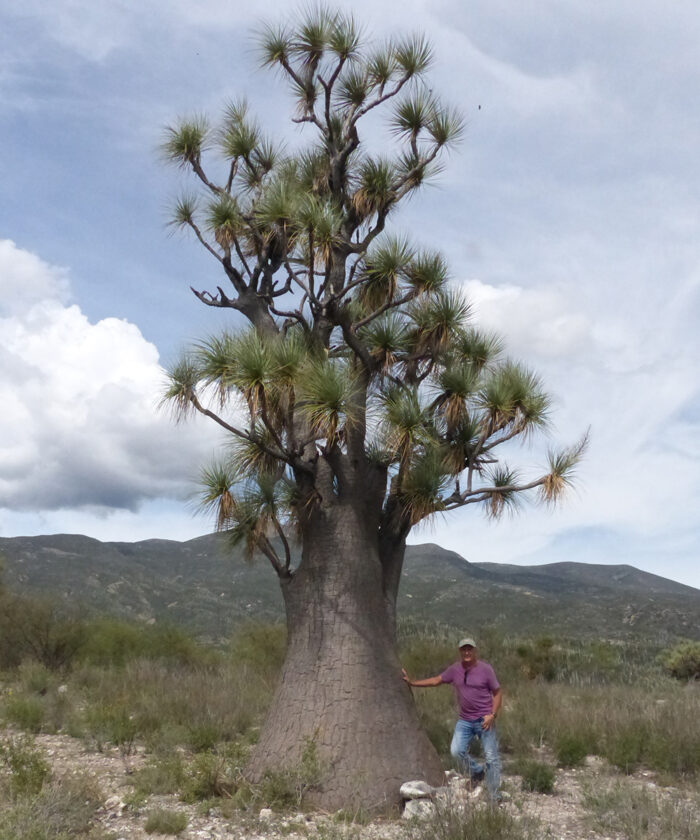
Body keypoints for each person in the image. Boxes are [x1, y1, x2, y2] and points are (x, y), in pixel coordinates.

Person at [402, 636, 502, 801]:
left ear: (474, 651)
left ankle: (494, 796)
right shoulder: (455, 670)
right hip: (465, 720)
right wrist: (412, 683)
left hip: (484, 720)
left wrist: (492, 715)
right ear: (460, 651)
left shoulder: (486, 670)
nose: (467, 652)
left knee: (491, 757)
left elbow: (497, 693)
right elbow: (436, 680)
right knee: (456, 751)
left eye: (469, 649)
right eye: (464, 649)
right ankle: (477, 771)